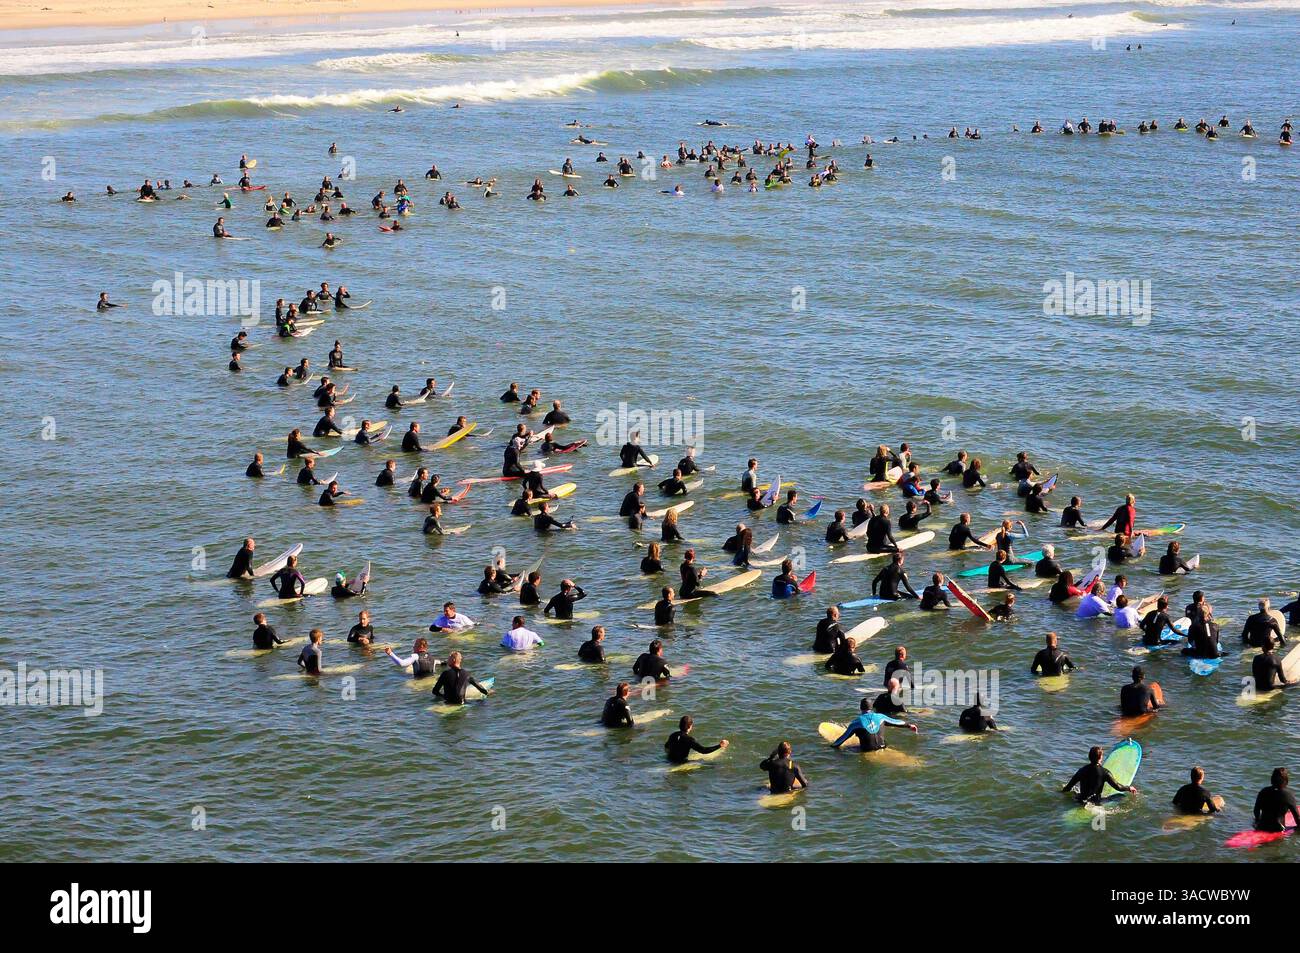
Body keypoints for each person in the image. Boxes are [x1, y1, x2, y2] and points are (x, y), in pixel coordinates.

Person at [829, 698, 918, 751]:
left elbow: (842, 740)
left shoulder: (855, 723)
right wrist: (909, 726)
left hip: (866, 750)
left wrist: (832, 746)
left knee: (849, 748)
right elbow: (897, 722)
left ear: (860, 708)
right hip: (883, 747)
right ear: (871, 708)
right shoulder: (881, 717)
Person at [1062, 745, 1137, 804]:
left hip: (1080, 800)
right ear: (1100, 757)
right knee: (1121, 796)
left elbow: (1068, 787)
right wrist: (1129, 788)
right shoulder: (1105, 772)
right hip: (1095, 802)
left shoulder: (1082, 770)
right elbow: (1117, 787)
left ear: (1089, 757)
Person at [664, 716, 729, 764]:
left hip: (669, 761)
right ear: (689, 726)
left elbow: (666, 747)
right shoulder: (689, 739)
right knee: (707, 764)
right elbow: (703, 750)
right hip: (679, 763)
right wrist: (720, 745)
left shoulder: (673, 735)